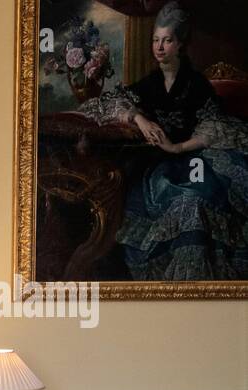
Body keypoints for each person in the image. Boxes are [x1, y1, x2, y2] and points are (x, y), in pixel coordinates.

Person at [87, 2, 248, 280]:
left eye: (167, 40)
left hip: (196, 158)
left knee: (195, 199)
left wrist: (177, 147)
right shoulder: (149, 83)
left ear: (180, 45)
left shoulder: (197, 84)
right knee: (166, 198)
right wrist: (139, 118)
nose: (159, 47)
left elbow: (215, 127)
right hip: (160, 168)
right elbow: (113, 101)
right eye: (155, 40)